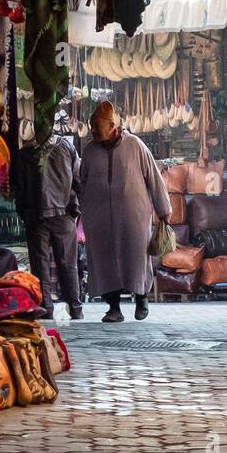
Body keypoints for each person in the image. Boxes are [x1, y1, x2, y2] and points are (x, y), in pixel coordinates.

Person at [79, 100, 171, 322]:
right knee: (105, 259)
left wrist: (163, 210)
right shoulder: (89, 151)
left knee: (136, 256)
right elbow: (81, 183)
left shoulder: (135, 145)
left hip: (133, 216)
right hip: (99, 218)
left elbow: (153, 178)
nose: (93, 132)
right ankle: (114, 308)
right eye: (92, 128)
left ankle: (141, 299)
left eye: (97, 128)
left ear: (111, 126)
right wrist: (82, 215)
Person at [16, 133, 84, 320]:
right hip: (64, 213)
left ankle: (46, 307)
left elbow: (19, 187)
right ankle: (75, 307)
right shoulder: (66, 147)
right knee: (68, 264)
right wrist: (78, 207)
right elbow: (78, 179)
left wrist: (23, 211)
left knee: (40, 265)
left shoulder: (26, 152)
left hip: (36, 213)